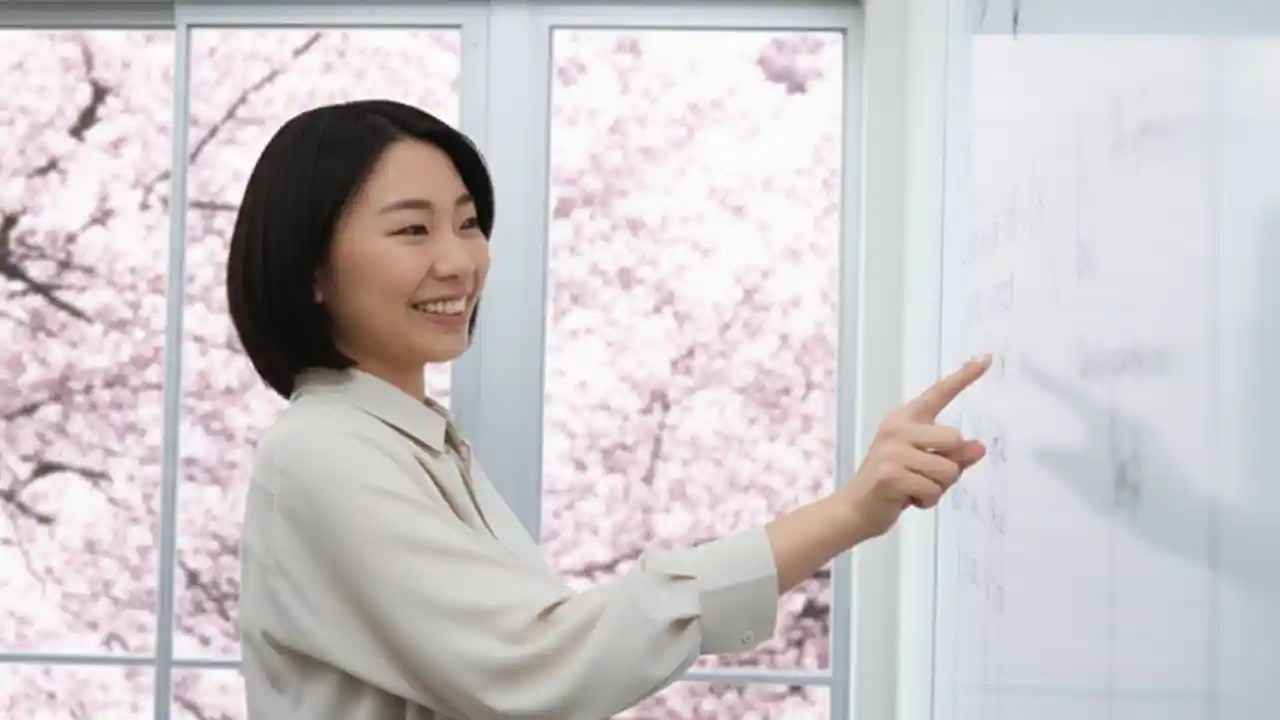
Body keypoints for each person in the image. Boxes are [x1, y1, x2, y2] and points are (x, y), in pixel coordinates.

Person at [226, 98, 991, 720]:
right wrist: (849, 513)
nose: (458, 260)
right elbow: (541, 666)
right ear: (313, 269)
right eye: (412, 229)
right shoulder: (323, 453)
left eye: (467, 221)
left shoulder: (417, 442)